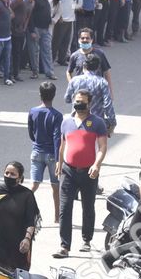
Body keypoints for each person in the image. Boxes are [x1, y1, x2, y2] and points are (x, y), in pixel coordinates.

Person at [54, 91, 108, 258]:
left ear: (89, 104)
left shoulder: (97, 123)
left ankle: (86, 240)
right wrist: (59, 163)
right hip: (68, 171)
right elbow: (63, 145)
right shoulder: (66, 122)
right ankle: (64, 246)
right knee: (65, 208)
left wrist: (96, 165)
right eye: (77, 101)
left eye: (82, 102)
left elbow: (103, 147)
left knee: (88, 207)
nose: (79, 104)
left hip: (88, 172)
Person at [0, 162, 41, 272]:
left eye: (13, 174)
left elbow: (31, 221)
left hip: (18, 245)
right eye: (6, 173)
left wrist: (27, 239)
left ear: (19, 177)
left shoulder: (27, 195)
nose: (8, 176)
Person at [27, 82, 64, 212]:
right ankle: (57, 217)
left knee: (34, 184)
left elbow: (31, 133)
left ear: (40, 94)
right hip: (52, 154)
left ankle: (20, 207)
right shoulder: (57, 115)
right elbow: (57, 138)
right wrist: (59, 159)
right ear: (54, 95)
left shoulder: (33, 111)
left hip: (37, 151)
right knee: (55, 187)